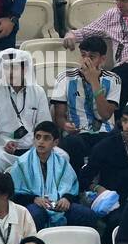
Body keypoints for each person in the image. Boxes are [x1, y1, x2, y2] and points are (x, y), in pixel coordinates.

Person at [48, 35, 119, 172]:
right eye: (83, 55)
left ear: (102, 60)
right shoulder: (64, 78)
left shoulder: (114, 79)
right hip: (77, 133)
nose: (86, 61)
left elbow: (105, 114)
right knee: (72, 143)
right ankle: (78, 186)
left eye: (91, 57)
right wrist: (65, 125)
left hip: (104, 131)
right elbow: (59, 117)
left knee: (112, 143)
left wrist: (94, 81)